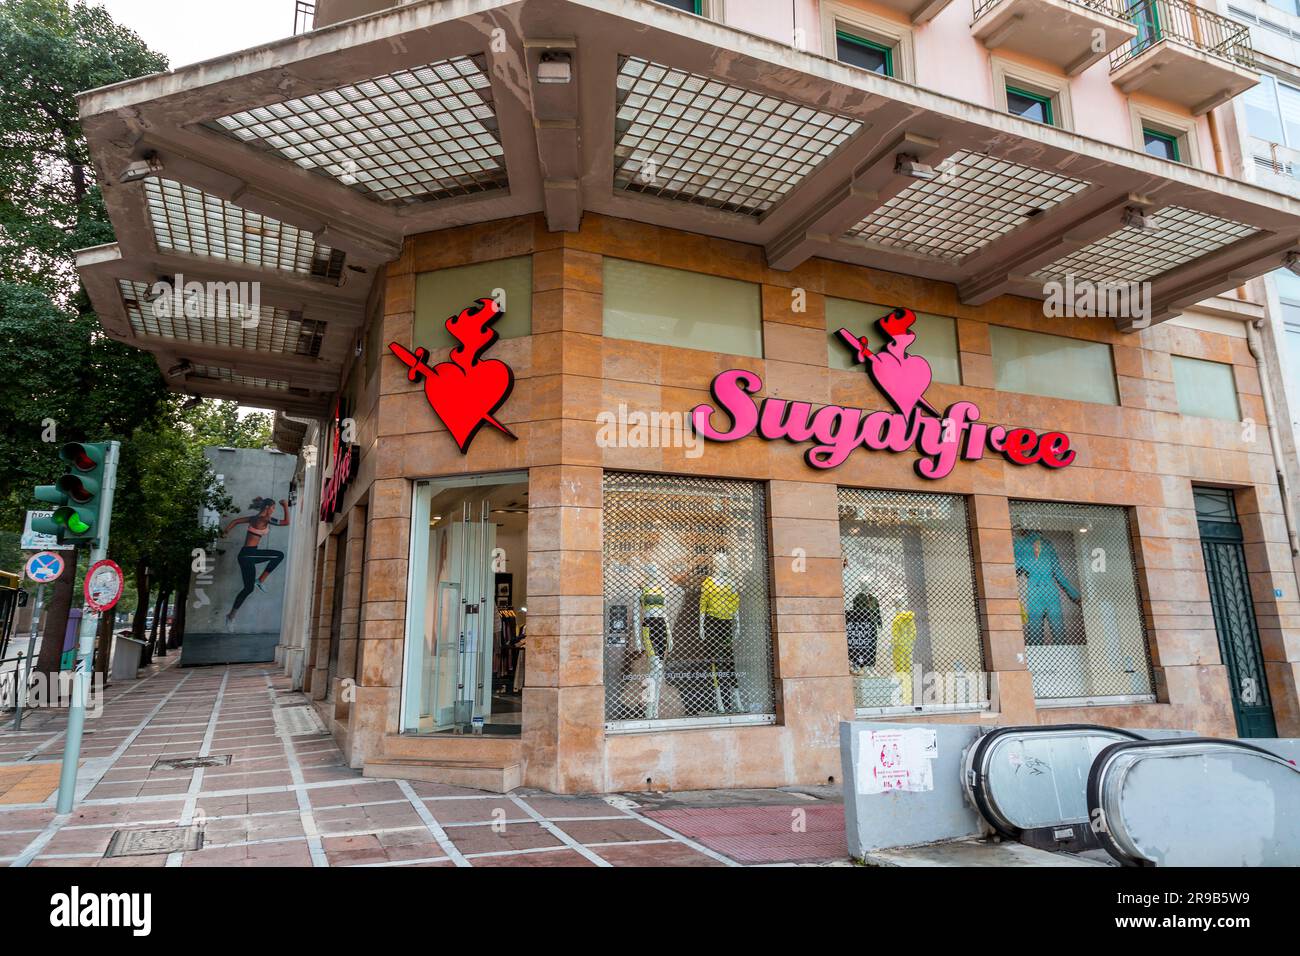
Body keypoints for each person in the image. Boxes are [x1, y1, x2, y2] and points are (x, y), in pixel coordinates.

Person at [223, 497, 289, 626]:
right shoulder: (265, 519)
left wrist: (225, 532)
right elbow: (286, 522)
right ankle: (260, 580)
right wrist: (285, 505)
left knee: (248, 588)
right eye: (273, 508)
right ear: (267, 507)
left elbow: (235, 521)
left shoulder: (254, 518)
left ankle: (231, 616)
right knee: (279, 555)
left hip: (246, 555)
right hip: (249, 554)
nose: (273, 510)